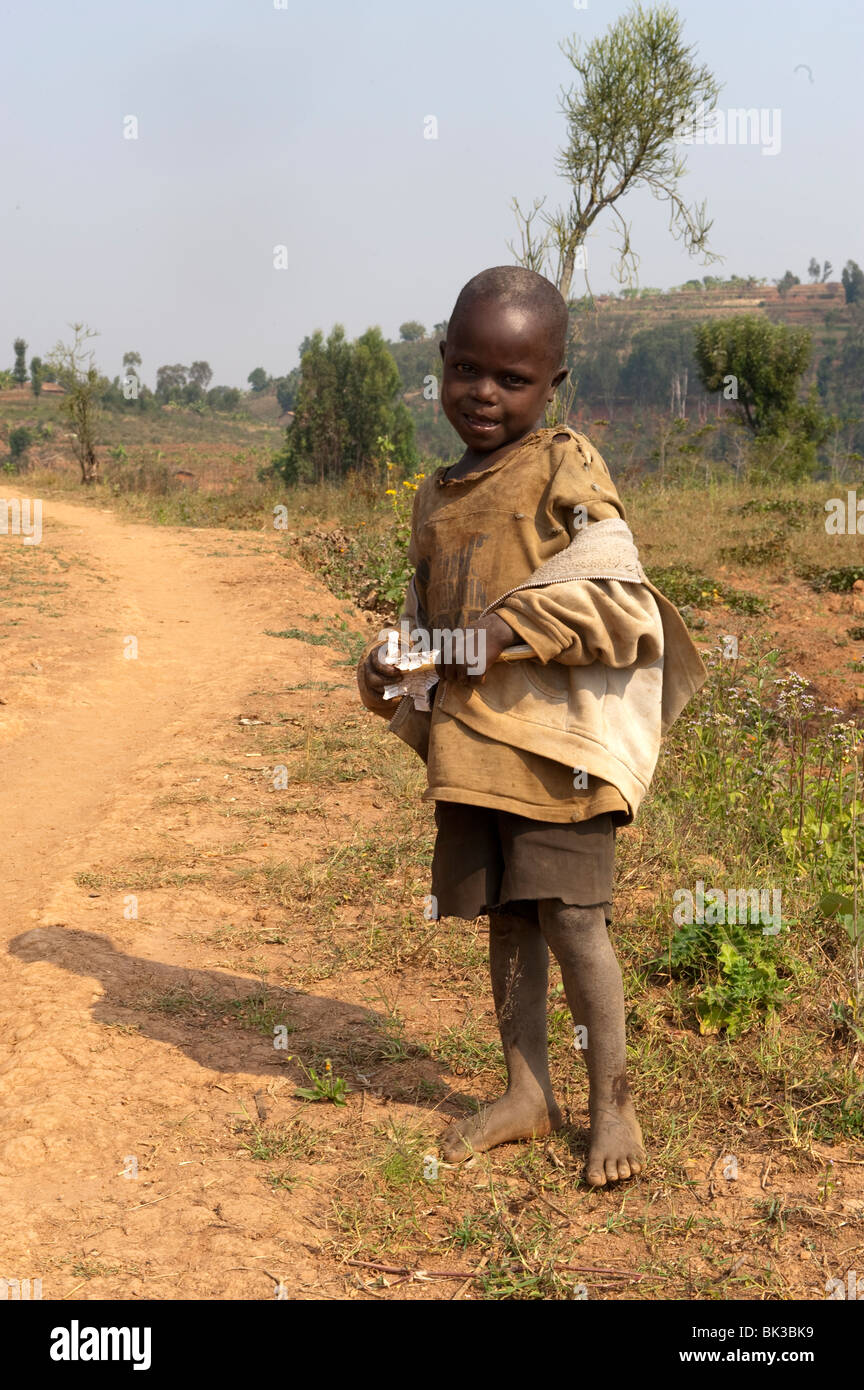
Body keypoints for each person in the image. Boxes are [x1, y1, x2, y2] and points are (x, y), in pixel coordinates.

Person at [357, 266, 706, 1186]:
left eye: (513, 379)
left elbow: (611, 582)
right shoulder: (434, 494)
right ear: (441, 363)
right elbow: (425, 613)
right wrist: (389, 662)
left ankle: (614, 1106)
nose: (484, 393)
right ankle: (526, 1092)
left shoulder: (564, 464)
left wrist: (502, 630)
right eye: (467, 368)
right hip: (476, 753)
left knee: (575, 921)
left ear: (553, 383)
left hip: (560, 754)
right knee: (506, 920)